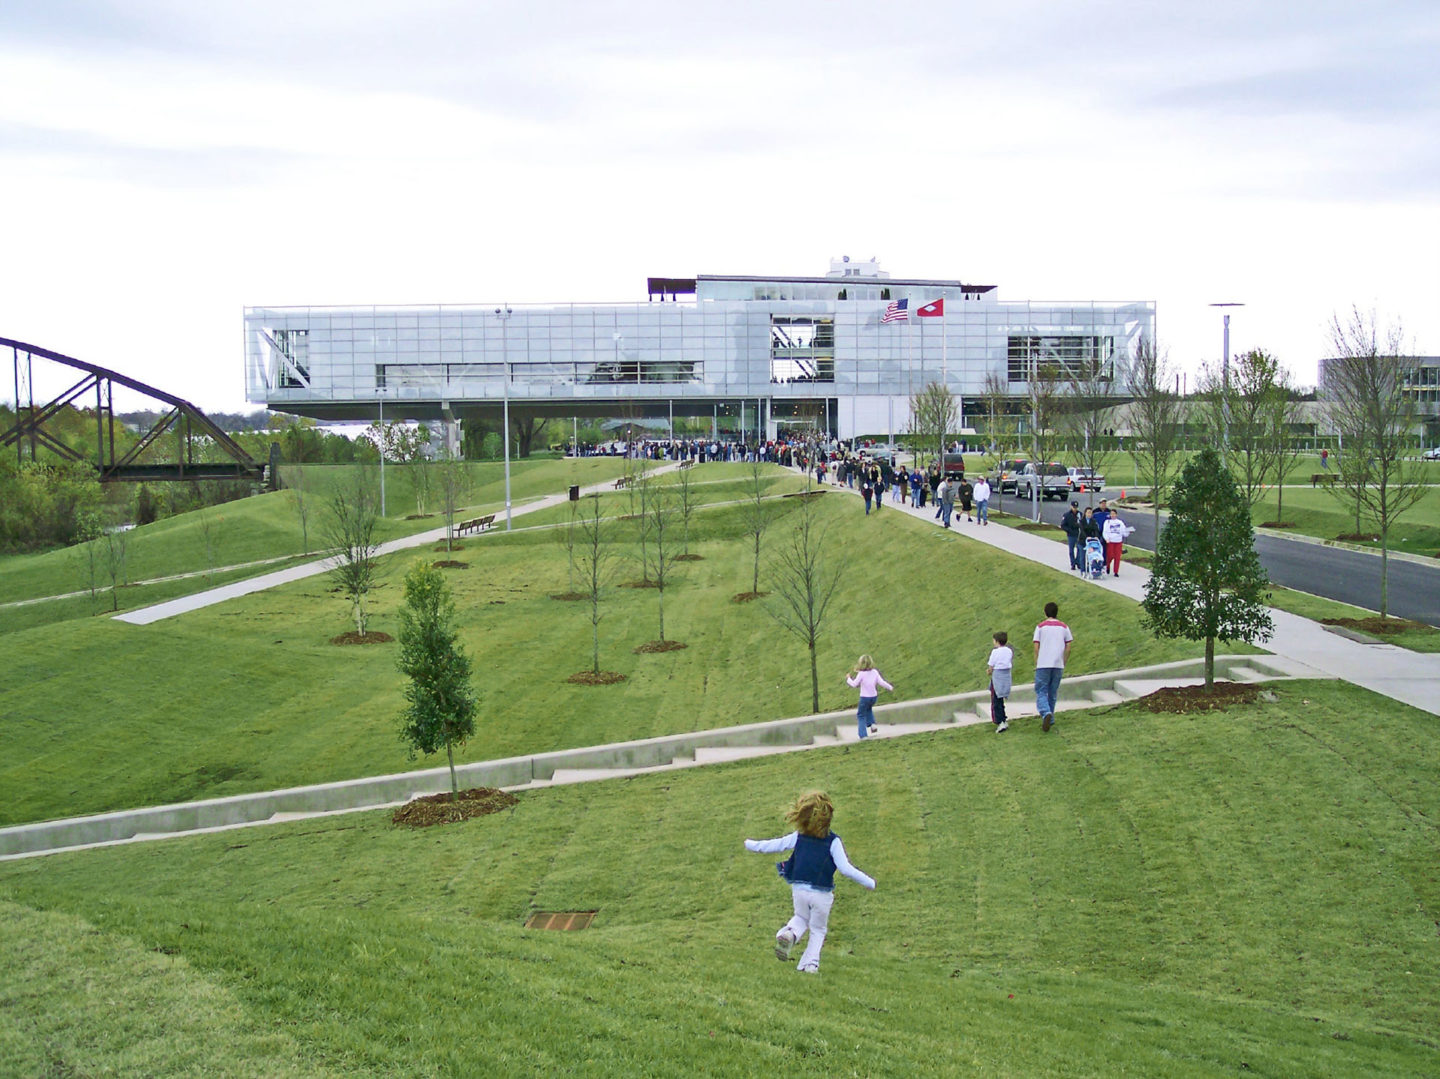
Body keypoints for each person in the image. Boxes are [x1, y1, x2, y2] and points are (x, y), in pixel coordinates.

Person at [743, 790, 876, 974]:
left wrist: (750, 844)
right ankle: (810, 965)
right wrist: (869, 882)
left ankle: (789, 933)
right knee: (818, 929)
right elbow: (845, 868)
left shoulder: (798, 837)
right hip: (821, 894)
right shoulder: (833, 841)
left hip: (799, 889)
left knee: (801, 918)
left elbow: (775, 844)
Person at [1032, 601, 1073, 733]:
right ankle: (1051, 716)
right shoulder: (1064, 627)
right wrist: (1064, 660)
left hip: (1044, 663)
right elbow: (1068, 646)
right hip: (1058, 664)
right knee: (1053, 691)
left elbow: (1036, 646)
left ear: (1045, 612)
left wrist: (1037, 661)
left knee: (1041, 690)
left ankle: (1045, 712)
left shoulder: (1040, 627)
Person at [846, 654, 894, 738]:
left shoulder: (861, 674)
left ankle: (863, 735)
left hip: (864, 698)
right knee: (868, 709)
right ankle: (872, 724)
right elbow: (881, 682)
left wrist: (848, 679)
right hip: (873, 697)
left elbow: (854, 684)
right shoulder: (875, 672)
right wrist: (890, 687)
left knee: (861, 715)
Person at [988, 631, 1012, 733]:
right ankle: (1003, 718)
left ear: (997, 641)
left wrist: (989, 671)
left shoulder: (995, 652)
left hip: (997, 676)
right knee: (1000, 698)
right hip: (1006, 676)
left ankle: (999, 721)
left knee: (996, 700)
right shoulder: (1009, 651)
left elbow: (991, 665)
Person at [1101, 510, 1134, 576]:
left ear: (1116, 514)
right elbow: (1105, 532)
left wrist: (1128, 532)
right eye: (1111, 514)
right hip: (1111, 541)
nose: (1113, 515)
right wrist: (1107, 539)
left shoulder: (1120, 522)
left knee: (1117, 557)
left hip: (1118, 542)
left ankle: (1116, 571)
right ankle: (1107, 565)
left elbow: (1124, 532)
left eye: (1114, 514)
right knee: (1110, 555)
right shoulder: (1107, 522)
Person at [1060, 500, 1083, 572]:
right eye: (1073, 507)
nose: (1075, 509)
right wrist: (1069, 531)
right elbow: (1063, 525)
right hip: (1071, 535)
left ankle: (1078, 562)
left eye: (1076, 507)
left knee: (1080, 549)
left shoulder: (1080, 514)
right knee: (1071, 550)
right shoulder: (1067, 515)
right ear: (1071, 506)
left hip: (1079, 534)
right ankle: (1073, 564)